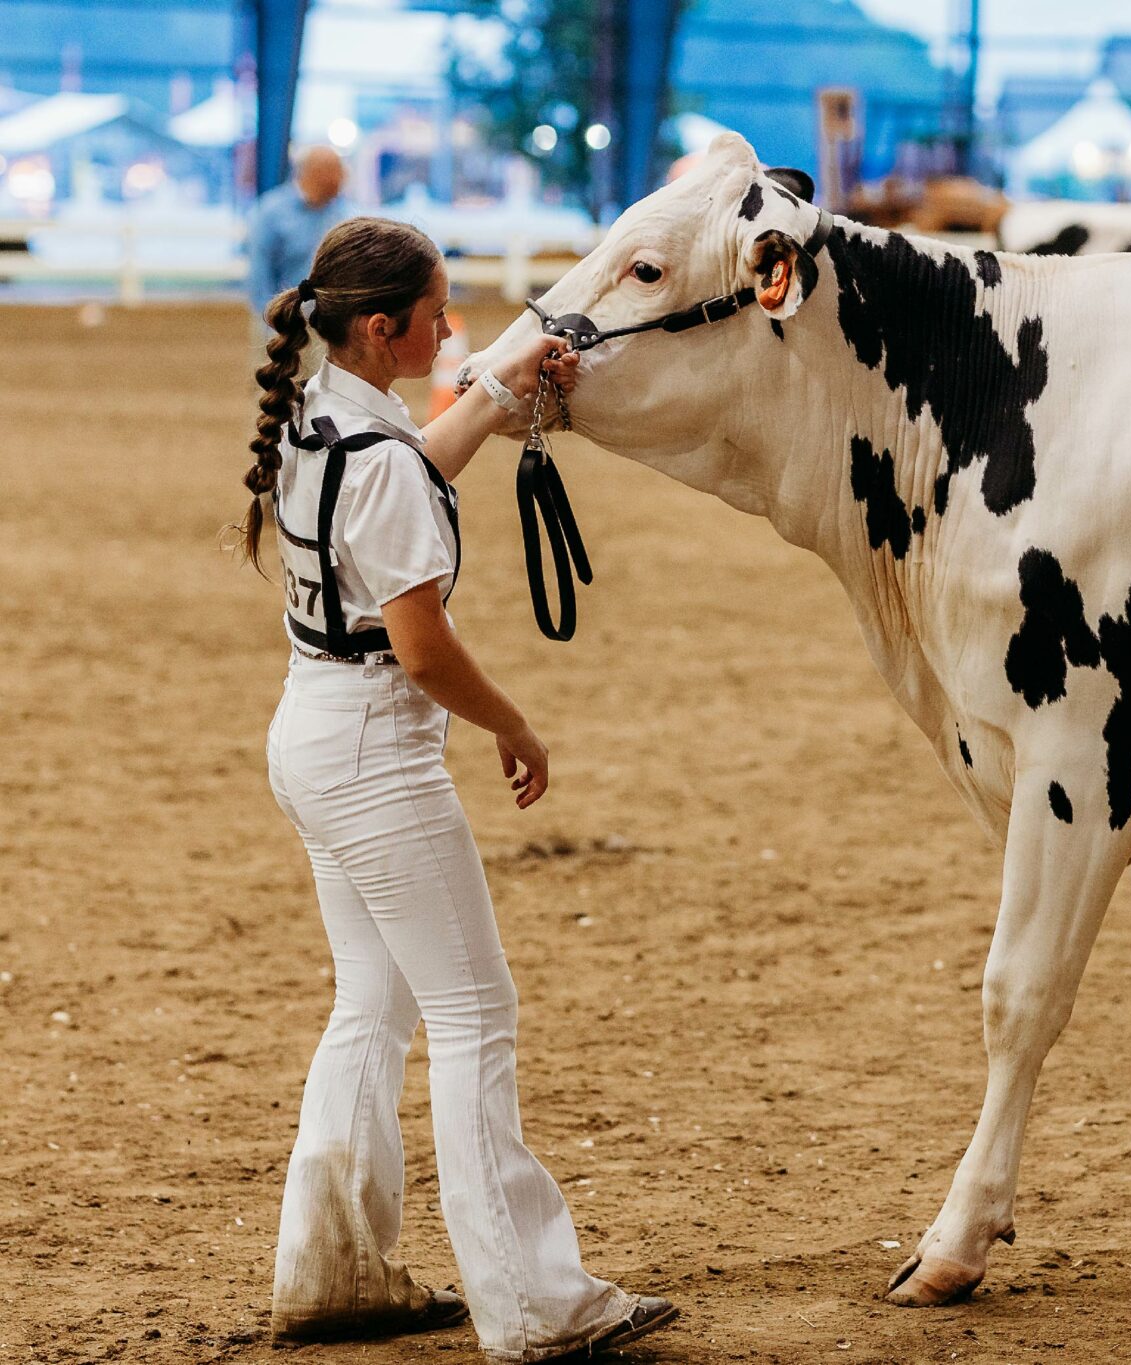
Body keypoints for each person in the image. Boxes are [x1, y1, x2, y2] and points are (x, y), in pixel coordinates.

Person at [233, 215, 676, 1363]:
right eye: (434, 317)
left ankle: (335, 1273)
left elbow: (412, 466)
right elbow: (423, 649)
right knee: (475, 1017)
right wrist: (514, 725)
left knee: (371, 1005)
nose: (447, 328)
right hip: (378, 753)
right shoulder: (376, 463)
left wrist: (501, 384)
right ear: (383, 330)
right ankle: (534, 1307)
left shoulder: (312, 417)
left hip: (313, 736)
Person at [246, 147, 350, 370]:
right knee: (277, 396)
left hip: (328, 327)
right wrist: (273, 323)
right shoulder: (272, 212)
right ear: (316, 173)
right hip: (283, 323)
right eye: (338, 172)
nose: (343, 179)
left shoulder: (340, 213)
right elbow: (260, 272)